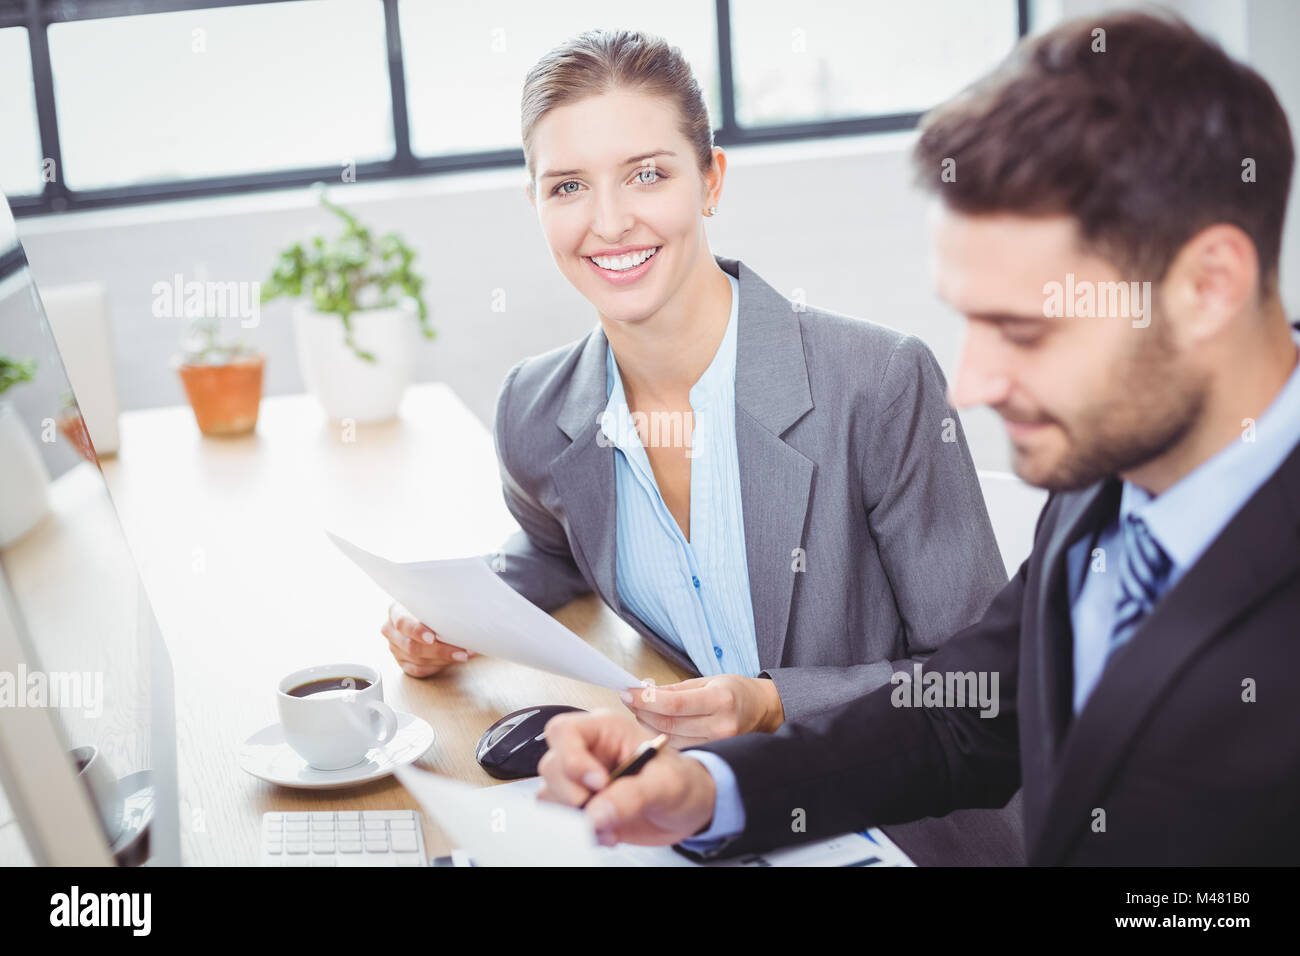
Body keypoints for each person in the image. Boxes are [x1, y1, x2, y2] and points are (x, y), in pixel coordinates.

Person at [536, 10, 1300, 865]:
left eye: (1026, 329)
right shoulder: (1113, 474)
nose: (971, 385)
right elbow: (965, 718)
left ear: (1210, 286)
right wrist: (715, 792)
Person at [381, 29, 1007, 745]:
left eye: (647, 174)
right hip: (699, 793)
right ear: (535, 202)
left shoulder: (878, 384)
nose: (610, 222)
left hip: (894, 812)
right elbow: (554, 548)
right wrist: (456, 615)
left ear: (710, 180)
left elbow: (981, 680)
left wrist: (773, 703)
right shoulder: (535, 405)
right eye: (569, 186)